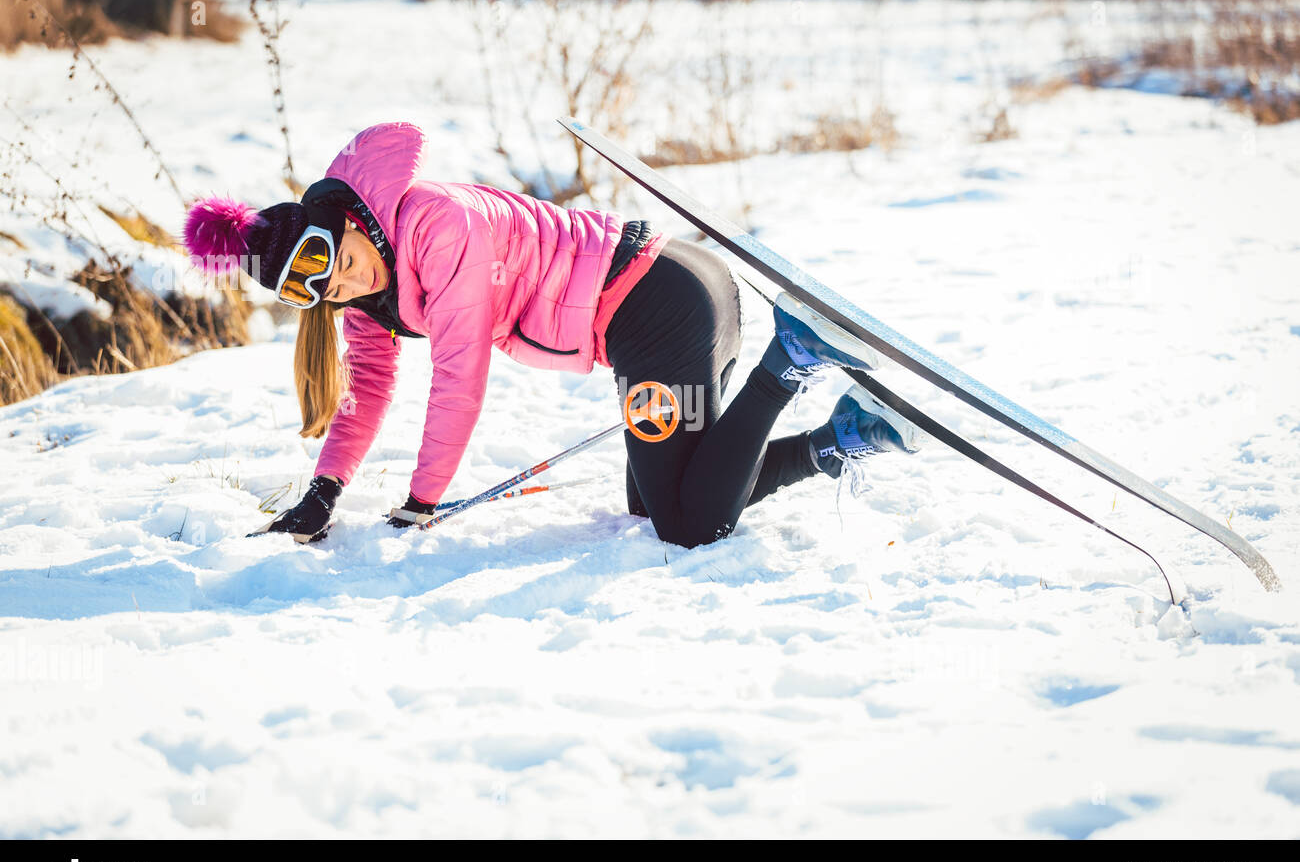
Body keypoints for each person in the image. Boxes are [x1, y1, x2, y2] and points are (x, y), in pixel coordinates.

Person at [183, 121, 918, 548]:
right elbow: (367, 390)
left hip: (658, 307)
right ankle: (843, 439)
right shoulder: (367, 292)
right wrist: (325, 489)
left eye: (343, 264)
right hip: (672, 303)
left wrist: (422, 499)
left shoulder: (438, 224)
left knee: (687, 525)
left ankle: (787, 361)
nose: (349, 286)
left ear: (353, 222)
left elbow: (459, 374)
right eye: (330, 292)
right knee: (665, 497)